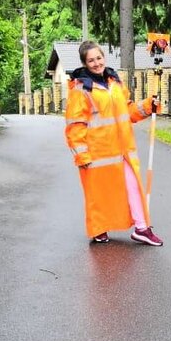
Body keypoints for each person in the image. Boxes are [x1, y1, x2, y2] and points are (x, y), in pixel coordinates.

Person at [64, 40, 163, 246]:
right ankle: (99, 229)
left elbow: (127, 111)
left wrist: (147, 106)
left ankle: (141, 228)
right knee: (99, 196)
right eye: (91, 60)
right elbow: (75, 125)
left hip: (122, 150)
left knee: (133, 187)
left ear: (104, 57)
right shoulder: (80, 90)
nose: (96, 63)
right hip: (97, 155)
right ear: (84, 63)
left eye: (98, 58)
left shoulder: (114, 82)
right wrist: (82, 155)